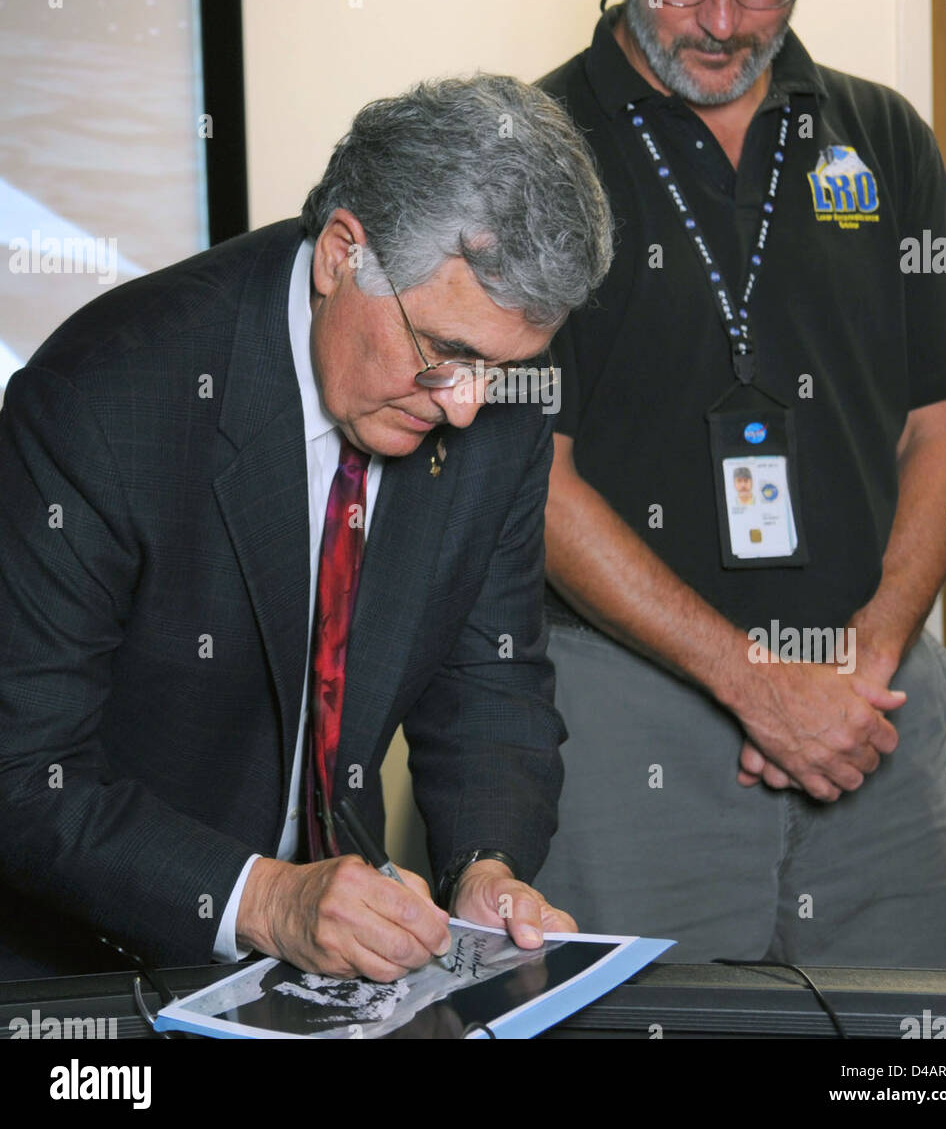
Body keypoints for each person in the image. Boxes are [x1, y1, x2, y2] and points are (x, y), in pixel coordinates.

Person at [535, 0, 946, 968]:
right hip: (631, 722)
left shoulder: (882, 133)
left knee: (923, 1056)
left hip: (875, 716)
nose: (723, 21)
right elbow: (532, 482)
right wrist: (752, 680)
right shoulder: (534, 155)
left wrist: (868, 653)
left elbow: (945, 426)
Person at [0, 73, 613, 980]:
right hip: (100, 961)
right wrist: (268, 900)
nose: (469, 408)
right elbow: (22, 772)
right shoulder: (104, 397)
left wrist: (486, 865)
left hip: (330, 969)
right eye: (447, 356)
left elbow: (493, 679)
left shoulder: (496, 393)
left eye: (505, 368)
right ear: (340, 254)